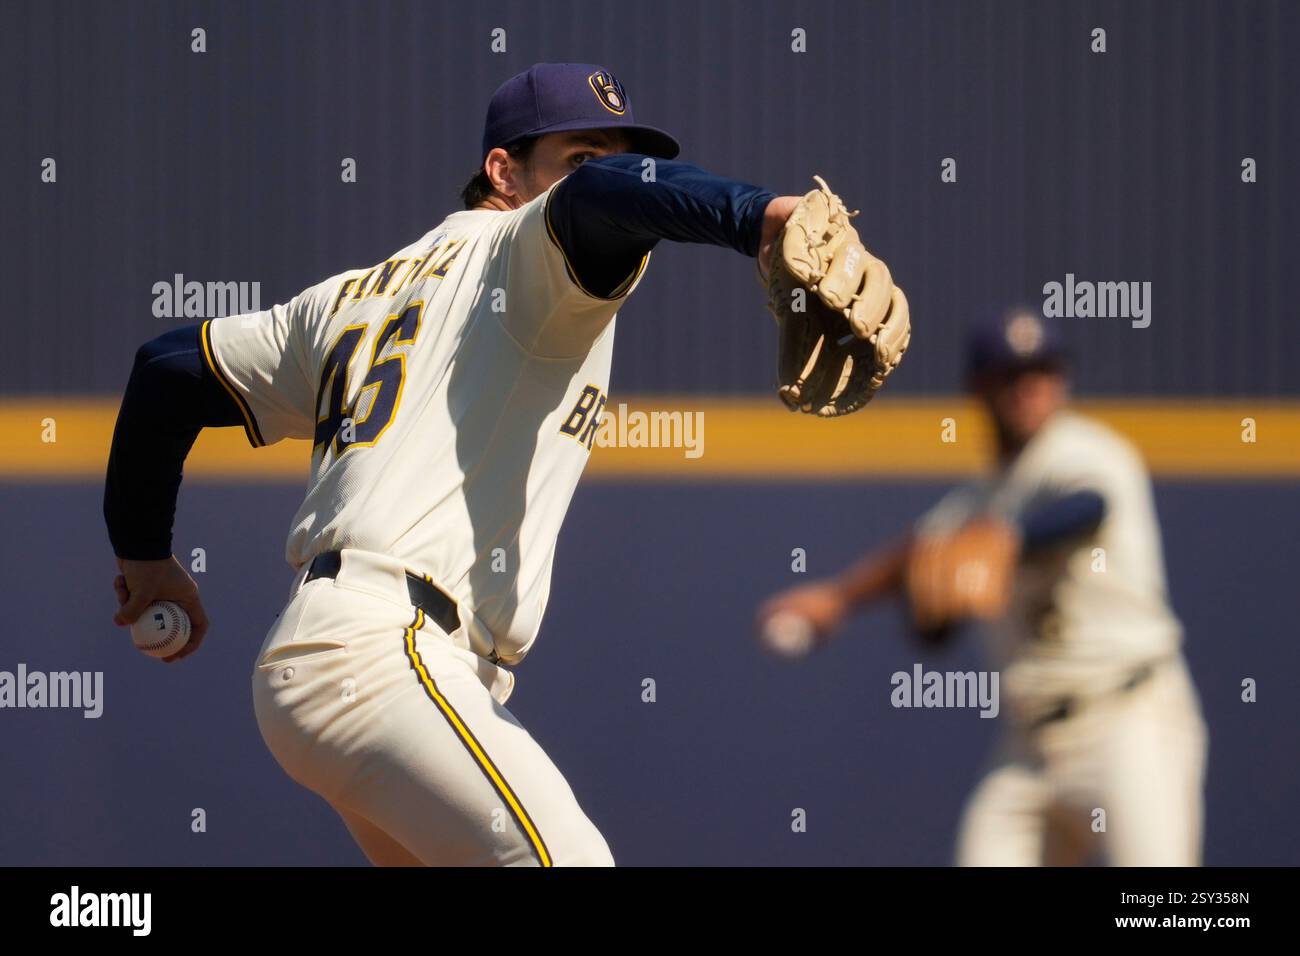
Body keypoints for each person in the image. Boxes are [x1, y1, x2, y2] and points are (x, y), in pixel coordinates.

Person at [100, 61, 859, 866]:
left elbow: (165, 371)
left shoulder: (349, 296)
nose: (602, 171)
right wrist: (763, 218)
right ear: (504, 170)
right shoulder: (524, 250)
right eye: (579, 154)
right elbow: (608, 197)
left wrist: (144, 560)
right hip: (384, 656)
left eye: (618, 152)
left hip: (340, 661)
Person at [757, 309, 1207, 866]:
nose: (1028, 388)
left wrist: (1007, 540)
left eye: (1041, 371)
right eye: (1010, 374)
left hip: (1127, 719)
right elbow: (917, 555)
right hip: (1029, 744)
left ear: (1061, 378)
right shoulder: (981, 499)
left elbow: (1089, 507)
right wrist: (838, 598)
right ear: (979, 387)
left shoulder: (1085, 452)